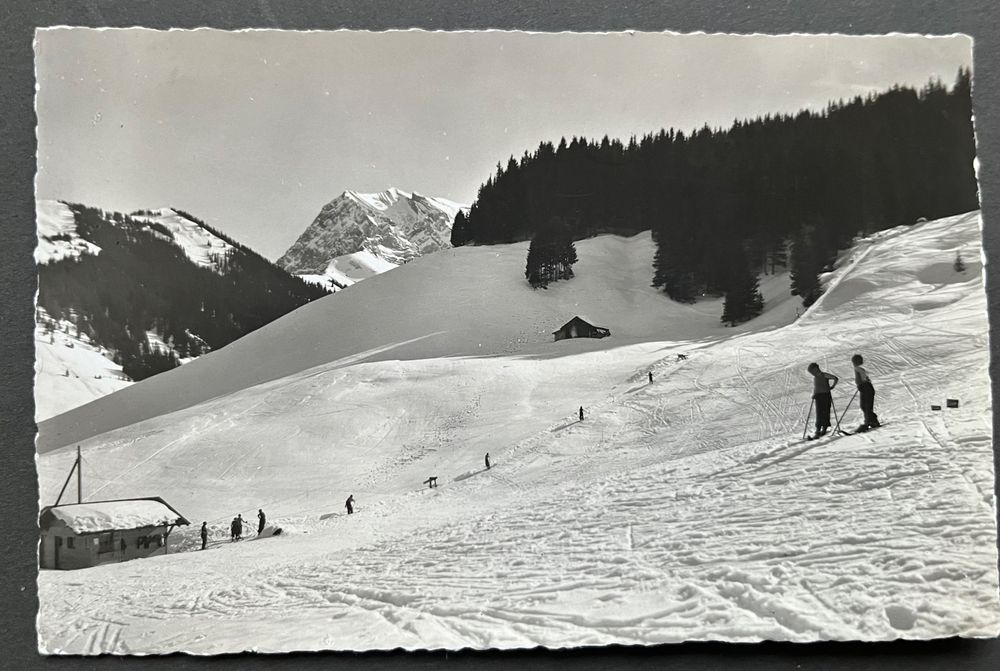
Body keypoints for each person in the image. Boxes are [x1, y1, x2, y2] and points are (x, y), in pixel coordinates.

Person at [807, 362, 839, 437]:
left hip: (825, 395)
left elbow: (835, 378)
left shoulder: (824, 375)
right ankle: (818, 429)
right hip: (818, 396)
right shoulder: (815, 377)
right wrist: (814, 394)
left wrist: (832, 386)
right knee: (819, 413)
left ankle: (824, 428)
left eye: (812, 371)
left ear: (816, 369)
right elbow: (816, 387)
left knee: (825, 412)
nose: (812, 373)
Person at [851, 354, 881, 432]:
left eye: (854, 361)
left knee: (866, 406)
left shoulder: (858, 368)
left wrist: (862, 384)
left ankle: (867, 423)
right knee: (864, 406)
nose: (853, 363)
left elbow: (863, 377)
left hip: (866, 388)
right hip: (865, 387)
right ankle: (873, 421)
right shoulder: (858, 368)